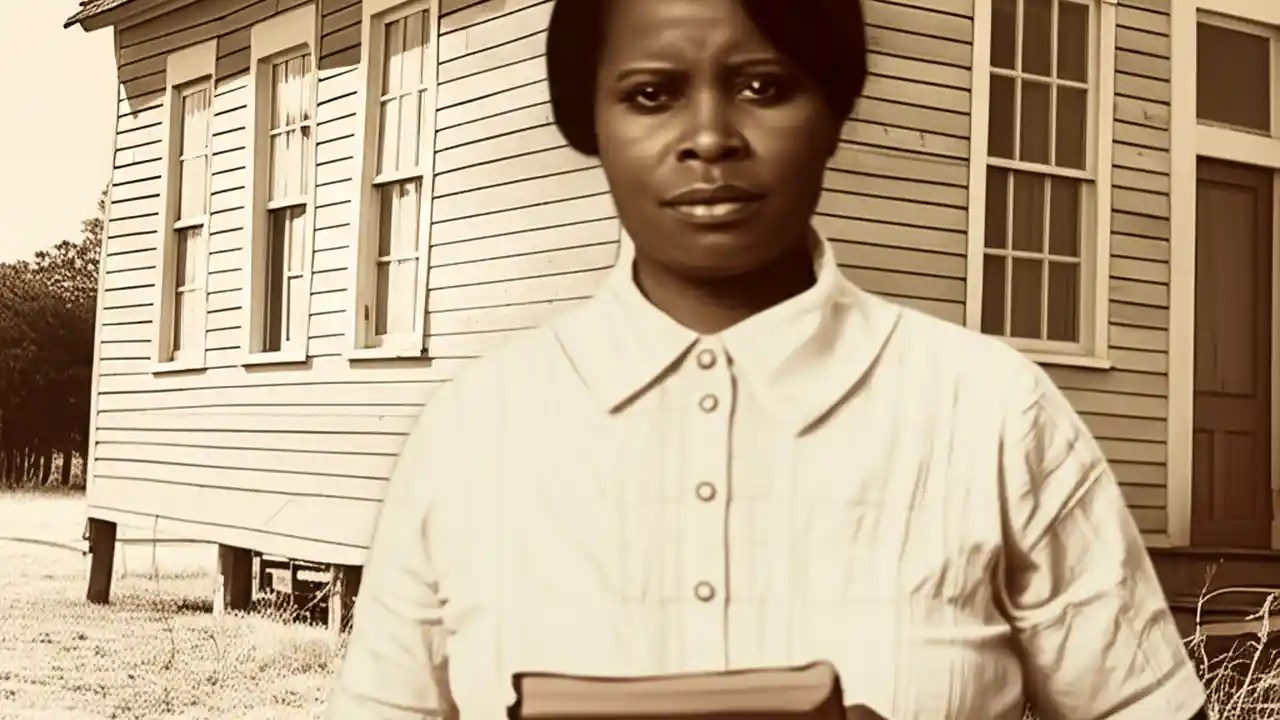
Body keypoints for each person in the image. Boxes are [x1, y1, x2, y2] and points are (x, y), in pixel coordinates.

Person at [325, 1, 1211, 718]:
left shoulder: (990, 415)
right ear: (586, 120)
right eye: (650, 93)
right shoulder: (475, 433)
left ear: (833, 111)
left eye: (762, 84)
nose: (710, 137)